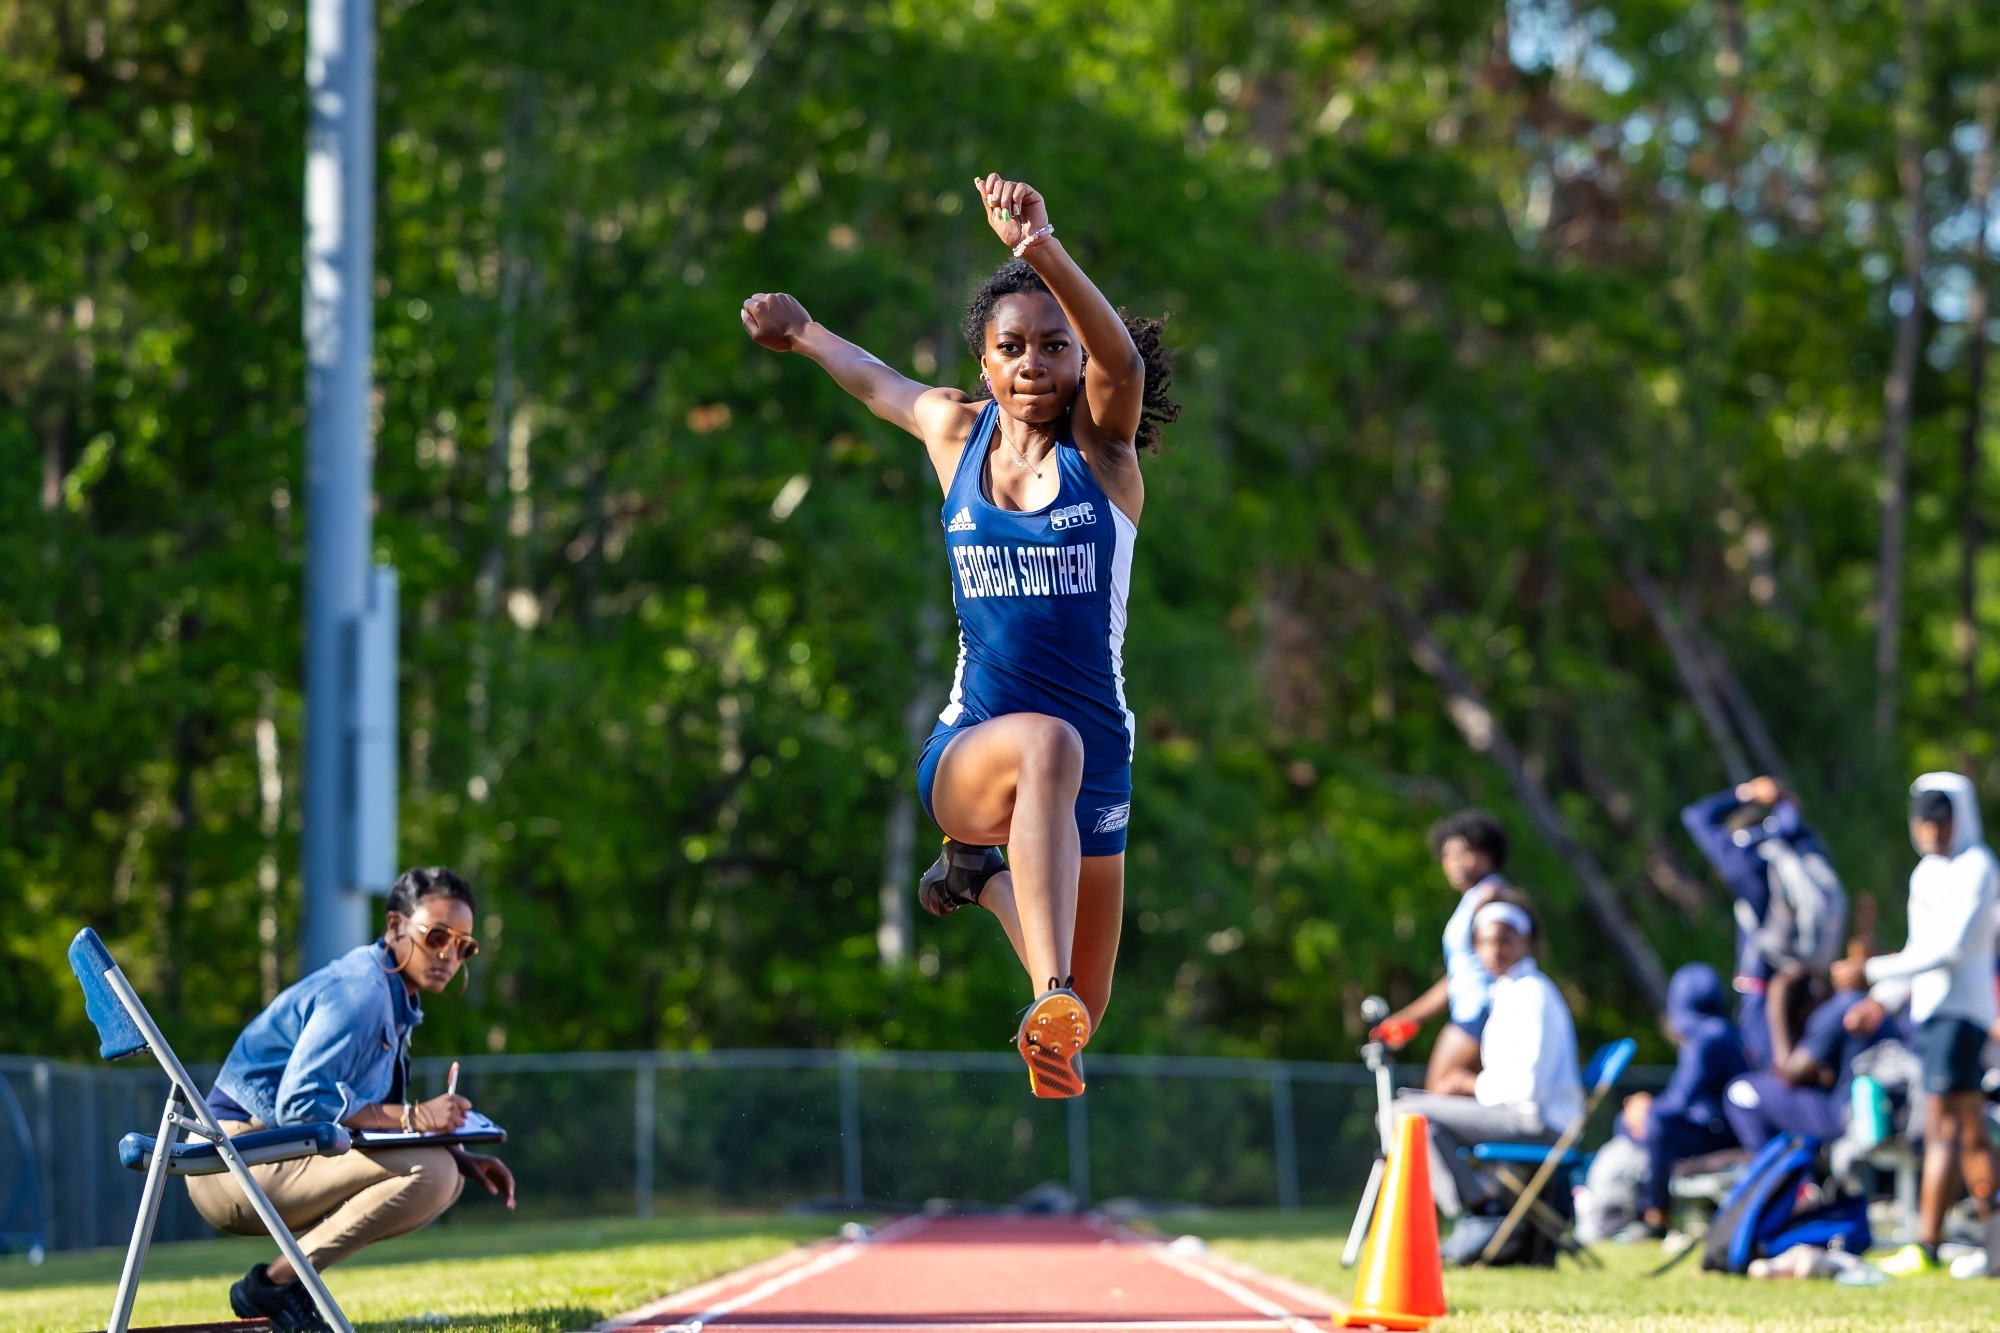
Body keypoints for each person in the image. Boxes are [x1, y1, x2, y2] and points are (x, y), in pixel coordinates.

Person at [740, 174, 1180, 1099]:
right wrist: (804, 333)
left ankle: (980, 878)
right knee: (1042, 749)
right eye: (1011, 348)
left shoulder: (1104, 458)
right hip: (971, 752)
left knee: (1083, 1024)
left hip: (1095, 767)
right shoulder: (956, 435)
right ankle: (1040, 977)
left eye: (1054, 347)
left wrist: (1041, 248)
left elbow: (1125, 372)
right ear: (982, 363)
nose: (1033, 364)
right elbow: (876, 383)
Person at [188, 868, 514, 1332]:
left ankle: (287, 1285)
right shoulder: (361, 992)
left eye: (464, 946)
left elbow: (358, 1115)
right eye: (437, 935)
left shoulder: (390, 992)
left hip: (268, 1154)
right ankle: (277, 1285)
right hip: (230, 1165)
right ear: (395, 926)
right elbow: (300, 1102)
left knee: (446, 1171)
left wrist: (460, 1153)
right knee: (432, 1171)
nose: (448, 954)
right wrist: (416, 1117)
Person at [1831, 773, 1999, 1277]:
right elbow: (1915, 952)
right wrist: (1881, 999)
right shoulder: (1926, 874)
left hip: (1960, 1015)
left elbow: (1950, 950)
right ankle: (1993, 1241)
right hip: (1929, 1012)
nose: (1930, 832)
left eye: (1940, 822)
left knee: (1944, 1128)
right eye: (1923, 822)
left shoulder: (1977, 867)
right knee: (1969, 1129)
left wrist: (1870, 971)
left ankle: (1926, 1241)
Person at [1395, 895, 1583, 1223]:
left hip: (1538, 1122)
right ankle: (1480, 1212)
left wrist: (1469, 1084)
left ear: (1524, 941)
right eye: (1483, 942)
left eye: (1503, 941)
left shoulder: (1532, 994)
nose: (1493, 951)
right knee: (1427, 1128)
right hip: (1517, 1115)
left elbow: (1527, 1088)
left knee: (1403, 1112)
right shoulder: (1508, 992)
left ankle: (1479, 1212)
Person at [1681, 775, 1845, 1070]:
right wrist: (1783, 803)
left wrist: (1748, 793)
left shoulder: (1747, 861)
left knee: (1769, 1075)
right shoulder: (1803, 848)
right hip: (1813, 984)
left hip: (1765, 988)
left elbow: (1696, 816)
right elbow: (1792, 822)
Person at [1377, 811, 1515, 1091]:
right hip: (1472, 1012)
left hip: (1481, 1014)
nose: (1453, 863)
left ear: (1488, 853)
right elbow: (1458, 976)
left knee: (1433, 1104)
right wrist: (1408, 1016)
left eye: (1463, 852)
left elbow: (1502, 962)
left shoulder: (1491, 899)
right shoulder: (1472, 900)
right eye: (1447, 855)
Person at [1621, 962, 1748, 1239]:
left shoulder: (1707, 1036)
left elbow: (1677, 1102)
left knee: (1650, 1122)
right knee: (1639, 1121)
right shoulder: (1721, 1030)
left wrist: (1643, 1109)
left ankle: (1654, 1214)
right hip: (1720, 1130)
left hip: (1722, 1137)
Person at [1720, 977, 1891, 1151]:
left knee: (1738, 1091)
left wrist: (1776, 998)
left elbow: (1791, 1073)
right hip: (1883, 1107)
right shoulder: (1869, 1002)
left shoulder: (1834, 1011)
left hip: (1845, 1114)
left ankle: (1785, 1175)